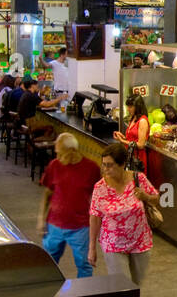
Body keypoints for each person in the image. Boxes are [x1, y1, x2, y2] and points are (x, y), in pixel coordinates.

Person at [88, 142, 159, 285]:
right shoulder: (100, 187)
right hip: (113, 244)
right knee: (123, 286)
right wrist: (92, 248)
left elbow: (156, 199)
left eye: (110, 165)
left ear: (122, 164)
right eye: (104, 164)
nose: (105, 169)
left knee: (137, 284)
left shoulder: (139, 179)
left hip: (140, 241)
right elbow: (95, 218)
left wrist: (146, 197)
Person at [39, 133, 101, 277]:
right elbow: (47, 194)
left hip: (81, 227)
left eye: (61, 154)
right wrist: (41, 219)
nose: (58, 158)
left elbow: (98, 198)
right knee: (48, 264)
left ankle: (83, 296)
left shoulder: (91, 168)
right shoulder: (54, 165)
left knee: (84, 265)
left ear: (72, 151)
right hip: (54, 225)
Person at [123, 93, 151, 171]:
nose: (128, 109)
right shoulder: (133, 118)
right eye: (128, 106)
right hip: (130, 156)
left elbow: (140, 145)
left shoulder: (142, 121)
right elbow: (132, 138)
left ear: (138, 107)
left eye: (130, 107)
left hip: (137, 160)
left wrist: (123, 141)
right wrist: (122, 137)